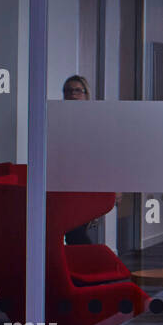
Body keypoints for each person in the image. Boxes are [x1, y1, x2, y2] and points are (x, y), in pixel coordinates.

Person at [61, 76, 98, 244]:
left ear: (86, 94)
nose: (73, 95)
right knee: (71, 231)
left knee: (76, 230)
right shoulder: (58, 120)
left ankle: (90, 264)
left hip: (88, 183)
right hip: (64, 183)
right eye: (68, 91)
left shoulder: (94, 122)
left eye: (77, 90)